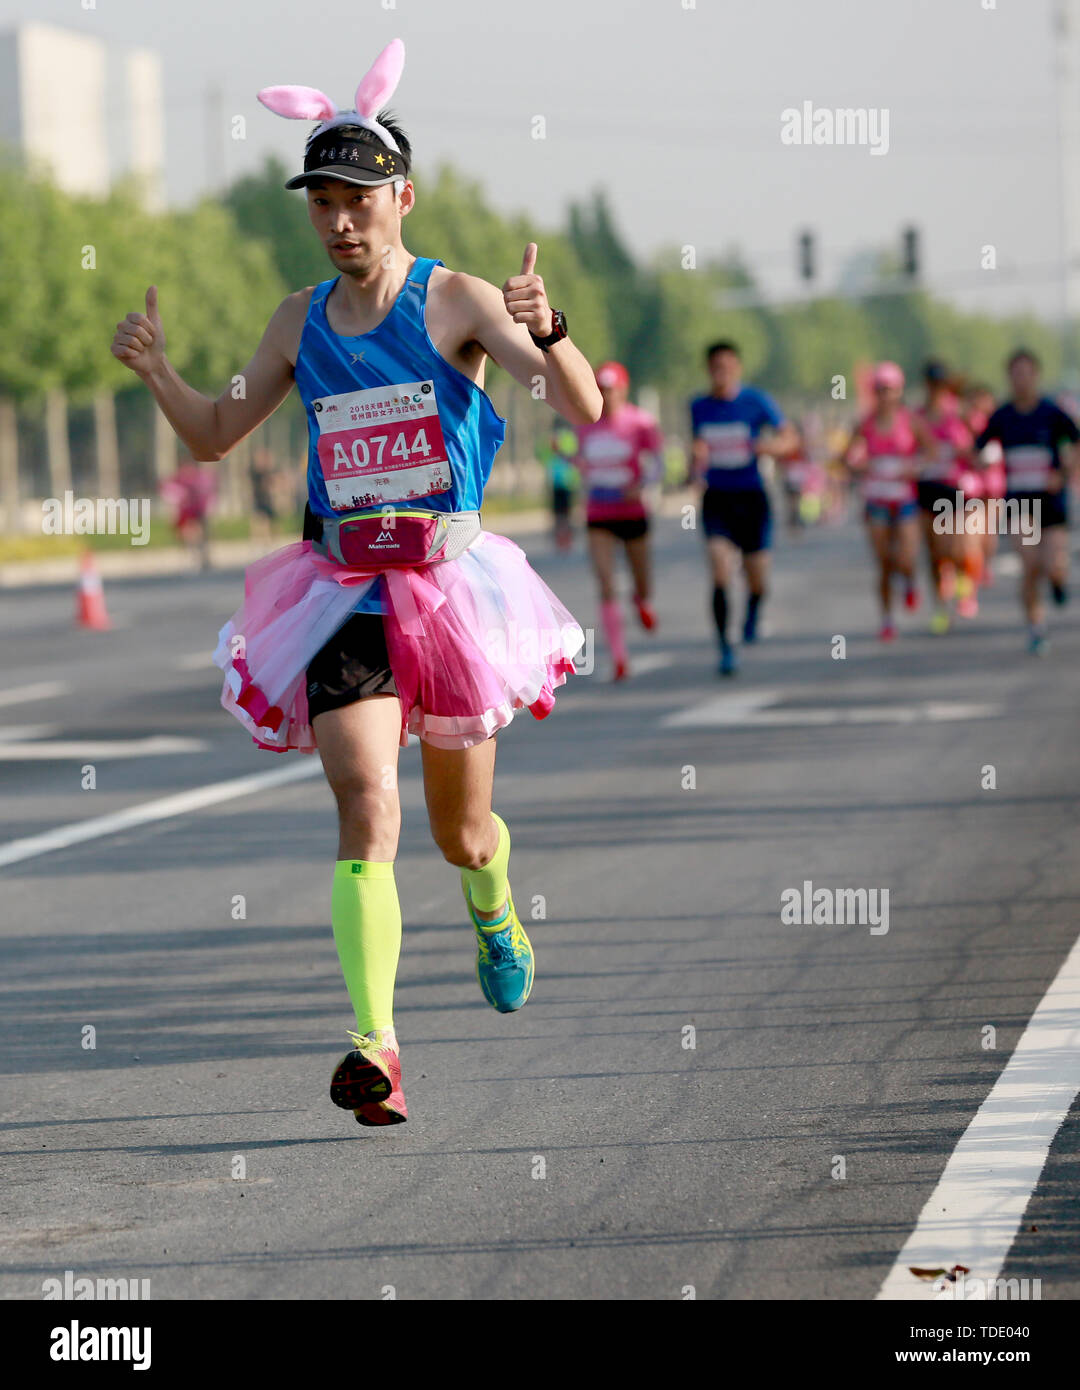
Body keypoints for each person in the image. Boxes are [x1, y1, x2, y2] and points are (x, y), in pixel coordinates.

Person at [110, 38, 601, 1128]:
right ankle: (376, 1044)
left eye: (358, 198)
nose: (339, 220)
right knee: (363, 798)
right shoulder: (295, 322)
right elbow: (217, 433)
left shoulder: (459, 300)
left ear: (401, 197)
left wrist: (549, 326)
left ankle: (493, 904)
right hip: (342, 588)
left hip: (454, 588)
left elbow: (581, 408)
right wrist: (157, 372)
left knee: (459, 831)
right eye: (321, 202)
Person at [689, 341, 796, 675]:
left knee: (757, 576)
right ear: (709, 370)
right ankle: (725, 646)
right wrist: (696, 459)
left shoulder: (756, 401)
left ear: (737, 367)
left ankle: (753, 608)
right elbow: (697, 444)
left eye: (727, 366)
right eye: (715, 367)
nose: (721, 372)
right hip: (717, 499)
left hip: (752, 498)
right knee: (719, 569)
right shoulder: (699, 406)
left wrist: (770, 446)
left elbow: (790, 438)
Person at [974, 348, 1079, 653]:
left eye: (1026, 373)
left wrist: (1065, 472)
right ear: (1010, 377)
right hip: (1019, 504)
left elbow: (1076, 442)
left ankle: (1058, 582)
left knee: (1053, 565)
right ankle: (1036, 628)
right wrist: (977, 462)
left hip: (1052, 502)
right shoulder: (1002, 416)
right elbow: (978, 449)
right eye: (1015, 374)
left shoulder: (1052, 413)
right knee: (1030, 565)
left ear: (1036, 375)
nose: (1021, 379)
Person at [573, 361, 663, 679]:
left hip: (633, 512)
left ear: (624, 389)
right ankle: (619, 657)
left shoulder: (641, 423)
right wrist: (574, 466)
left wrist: (643, 485)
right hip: (599, 513)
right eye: (602, 389)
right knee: (606, 583)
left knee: (642, 581)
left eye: (612, 389)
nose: (607, 395)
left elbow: (658, 464)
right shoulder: (584, 423)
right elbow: (575, 458)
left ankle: (642, 599)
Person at [843, 362, 932, 641]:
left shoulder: (911, 421)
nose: (884, 395)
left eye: (889, 389)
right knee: (883, 563)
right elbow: (846, 458)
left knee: (905, 557)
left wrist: (915, 467)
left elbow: (932, 450)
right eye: (879, 389)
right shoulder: (865, 423)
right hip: (876, 498)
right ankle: (887, 619)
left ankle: (909, 580)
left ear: (899, 391)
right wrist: (859, 467)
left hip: (904, 498)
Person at [913, 361, 976, 632]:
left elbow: (973, 446)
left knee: (956, 548)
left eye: (941, 384)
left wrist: (961, 451)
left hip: (952, 486)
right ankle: (940, 606)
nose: (936, 389)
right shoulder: (916, 416)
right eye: (932, 383)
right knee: (934, 553)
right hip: (925, 486)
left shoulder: (958, 413)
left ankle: (964, 584)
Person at [159, 457, 216, 571]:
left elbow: (208, 493)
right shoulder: (178, 480)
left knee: (199, 534)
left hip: (198, 511)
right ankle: (192, 556)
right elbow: (170, 495)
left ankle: (201, 556)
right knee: (187, 535)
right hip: (186, 512)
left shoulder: (199, 478)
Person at [542, 419, 578, 551]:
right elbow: (544, 457)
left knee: (567, 513)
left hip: (568, 482)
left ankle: (567, 538)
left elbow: (573, 455)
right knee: (557, 513)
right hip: (555, 482)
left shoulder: (569, 438)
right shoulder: (548, 440)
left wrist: (560, 448)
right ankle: (560, 539)